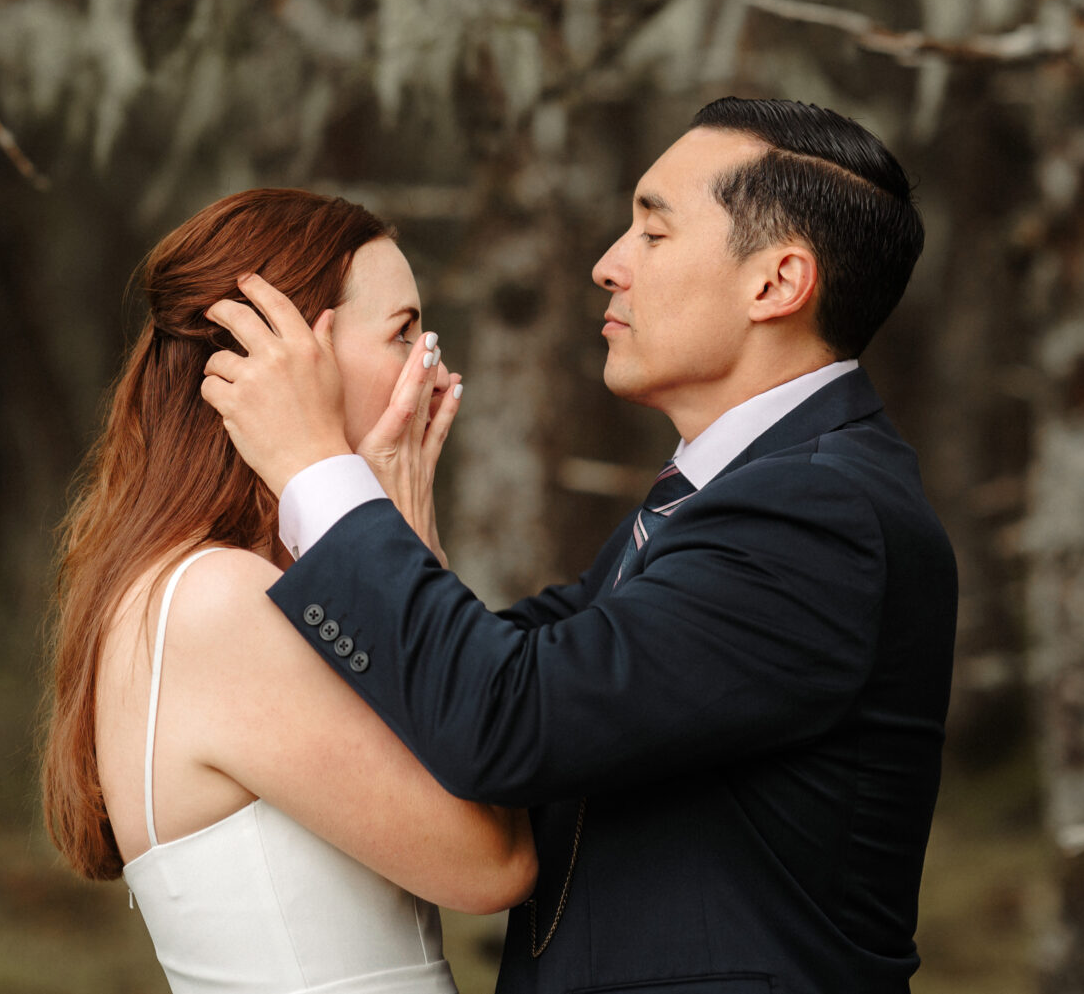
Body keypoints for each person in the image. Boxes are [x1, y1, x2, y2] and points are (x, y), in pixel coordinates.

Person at [198, 98, 959, 994]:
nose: (608, 265)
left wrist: (314, 468)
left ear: (775, 283)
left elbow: (509, 722)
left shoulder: (820, 515)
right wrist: (399, 534)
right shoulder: (728, 499)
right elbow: (513, 679)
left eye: (653, 232)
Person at [40, 188, 537, 994]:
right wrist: (406, 554)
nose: (432, 366)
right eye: (405, 332)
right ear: (287, 354)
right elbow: (494, 861)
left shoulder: (212, 583)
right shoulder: (218, 600)